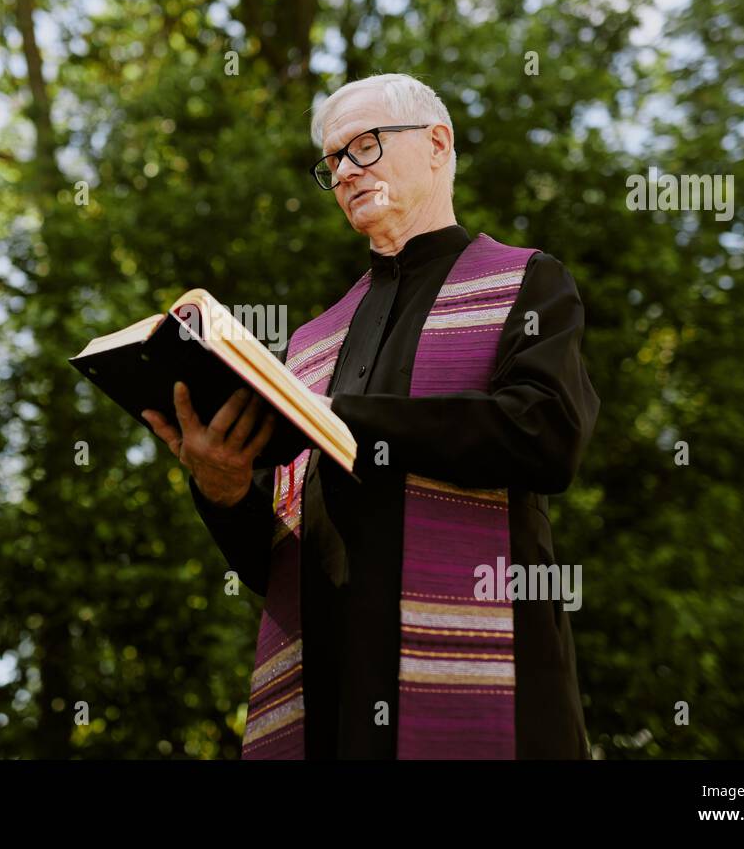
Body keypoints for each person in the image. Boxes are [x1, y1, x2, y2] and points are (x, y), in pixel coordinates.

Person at [143, 73, 600, 759]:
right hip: (328, 689)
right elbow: (273, 562)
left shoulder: (526, 282)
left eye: (366, 147)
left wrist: (338, 418)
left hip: (487, 675)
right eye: (332, 162)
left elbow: (545, 435)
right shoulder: (309, 344)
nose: (347, 173)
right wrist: (223, 488)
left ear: (437, 144)